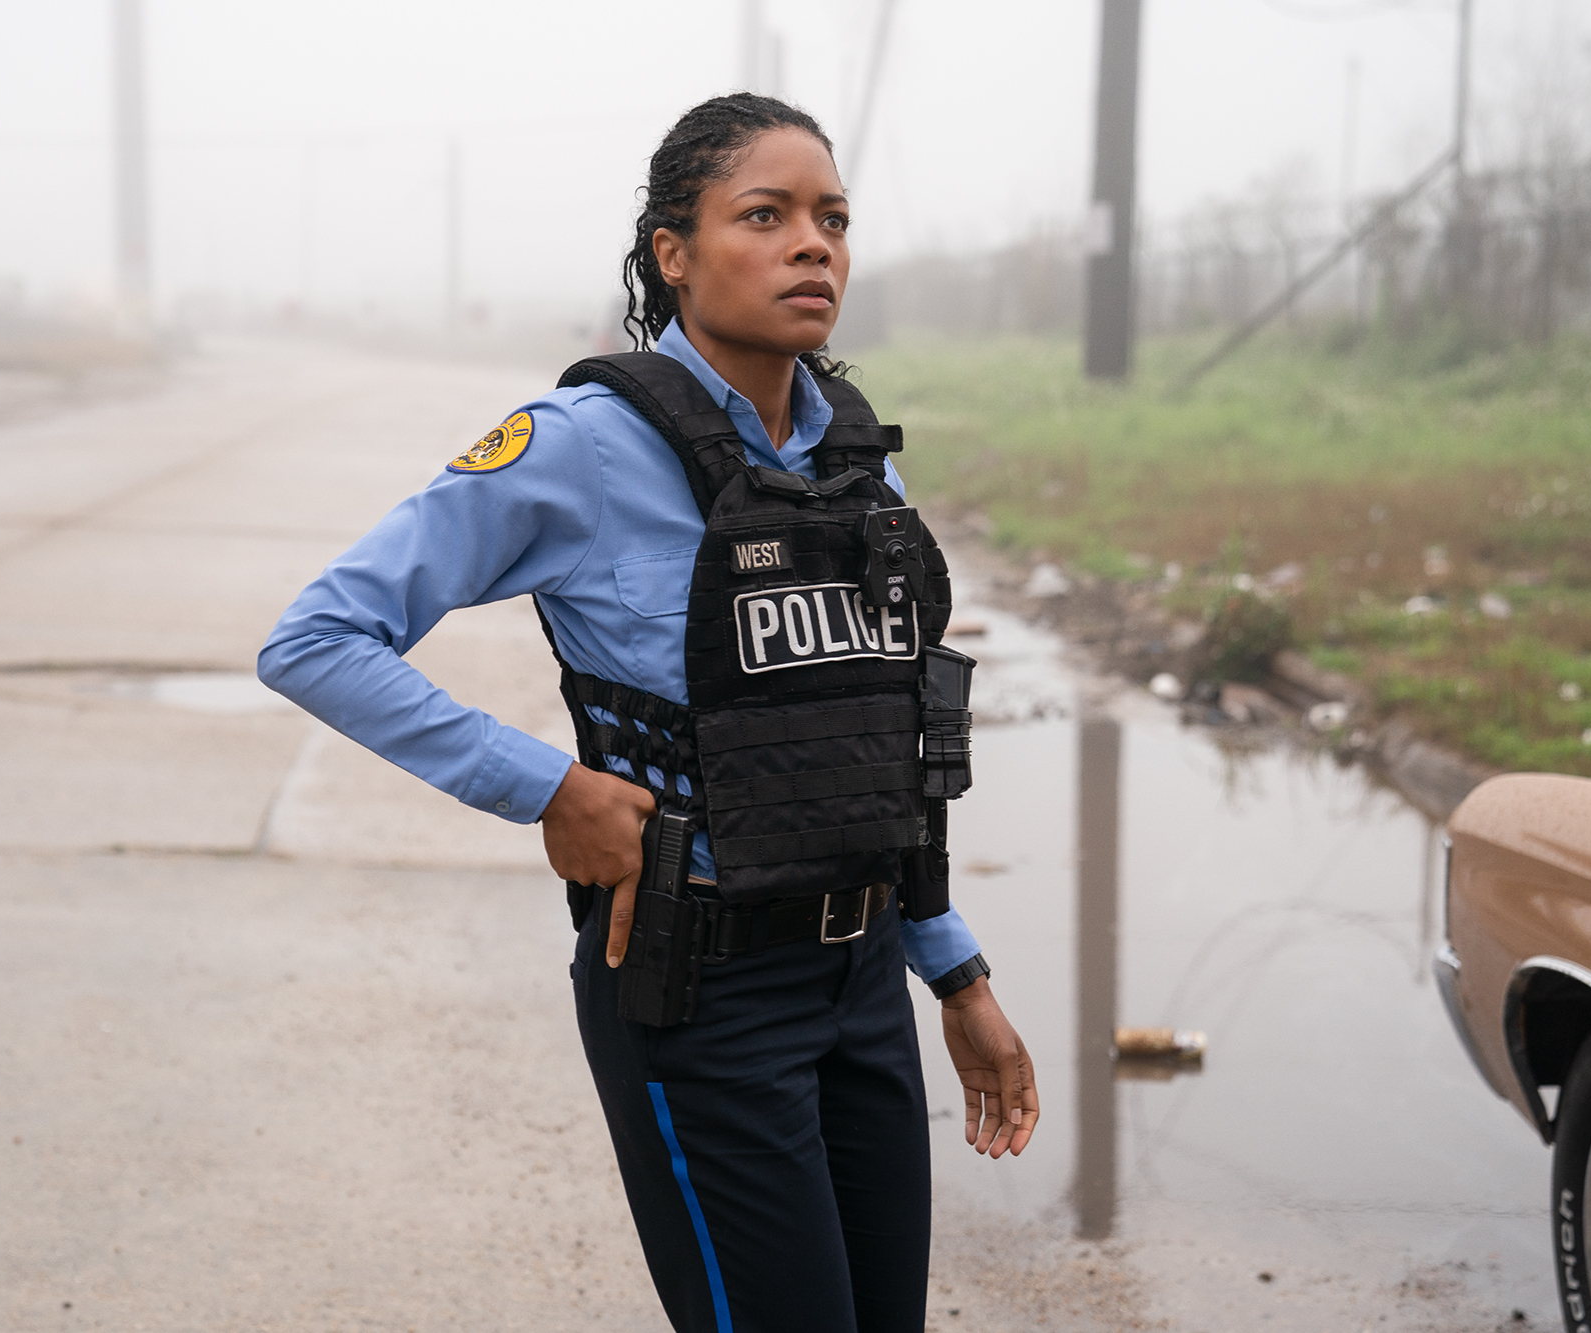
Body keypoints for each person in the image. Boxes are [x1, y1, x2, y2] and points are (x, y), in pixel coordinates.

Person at [258, 92, 1038, 1333]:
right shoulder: (582, 445)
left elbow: (872, 750)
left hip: (860, 984)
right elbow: (315, 639)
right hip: (700, 991)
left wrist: (954, 976)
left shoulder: (853, 457)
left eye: (832, 218)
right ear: (672, 252)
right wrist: (546, 787)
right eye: (765, 215)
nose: (813, 245)